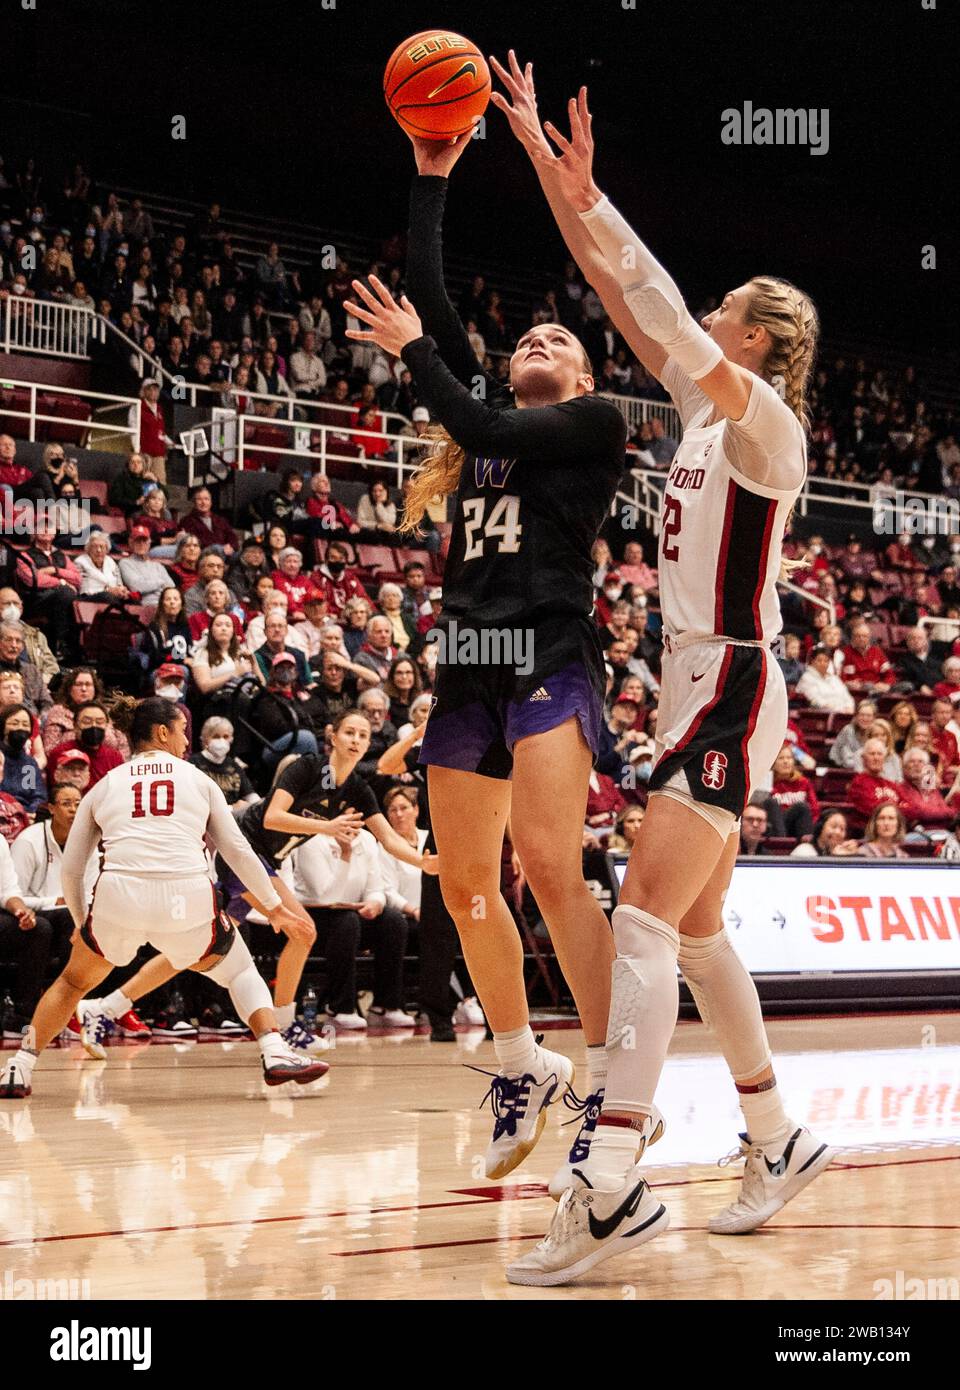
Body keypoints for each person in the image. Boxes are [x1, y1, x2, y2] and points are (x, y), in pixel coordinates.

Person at [486, 62, 834, 1283]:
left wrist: (603, 206)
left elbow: (664, 310)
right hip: (697, 682)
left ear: (761, 339)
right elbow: (632, 299)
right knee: (693, 935)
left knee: (636, 918)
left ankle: (607, 1183)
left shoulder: (769, 427)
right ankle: (778, 1134)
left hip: (734, 682)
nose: (710, 315)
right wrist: (558, 176)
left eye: (731, 308)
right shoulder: (702, 414)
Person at [344, 111, 631, 1197]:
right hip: (467, 657)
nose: (537, 344)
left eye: (559, 338)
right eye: (528, 342)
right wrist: (430, 175)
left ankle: (612, 1080)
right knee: (468, 888)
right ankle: (520, 1060)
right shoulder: (480, 411)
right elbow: (433, 294)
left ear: (588, 370)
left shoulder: (590, 425)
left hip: (551, 647)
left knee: (555, 867)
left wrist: (418, 354)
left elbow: (476, 414)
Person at [0, 698, 327, 1098]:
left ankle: (20, 1066)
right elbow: (237, 851)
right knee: (240, 972)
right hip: (185, 899)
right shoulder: (199, 781)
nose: (186, 740)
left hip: (120, 900)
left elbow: (72, 867)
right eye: (182, 730)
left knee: (70, 983)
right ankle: (275, 1051)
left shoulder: (105, 785)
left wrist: (84, 922)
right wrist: (274, 908)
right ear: (161, 732)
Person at [283, 824, 416, 1029]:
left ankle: (385, 1006)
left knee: (393, 921)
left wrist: (375, 903)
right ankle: (339, 1008)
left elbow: (376, 886)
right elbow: (324, 895)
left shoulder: (367, 839)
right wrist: (346, 854)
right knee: (346, 922)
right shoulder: (312, 838)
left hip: (353, 913)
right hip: (315, 915)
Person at [43, 668, 130, 759]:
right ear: (69, 689)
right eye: (78, 684)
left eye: (88, 685)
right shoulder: (58, 712)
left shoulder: (107, 712)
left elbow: (123, 746)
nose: (84, 689)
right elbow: (50, 750)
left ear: (95, 689)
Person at [46, 701, 125, 790]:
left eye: (99, 722)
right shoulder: (61, 753)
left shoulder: (114, 757)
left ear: (106, 726)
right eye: (87, 722)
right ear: (75, 726)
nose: (94, 726)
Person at [188, 716, 259, 810]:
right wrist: (231, 808)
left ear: (231, 739)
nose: (221, 741)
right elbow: (193, 800)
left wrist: (259, 806)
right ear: (205, 739)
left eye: (226, 737)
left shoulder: (234, 766)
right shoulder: (193, 763)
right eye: (216, 736)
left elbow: (250, 795)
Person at [0, 703, 44, 814]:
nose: (20, 728)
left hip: (25, 817)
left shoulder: (28, 764)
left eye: (25, 724)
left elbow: (37, 796)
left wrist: (29, 813)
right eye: (15, 723)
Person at [769, 744, 819, 839]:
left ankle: (806, 845)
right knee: (771, 804)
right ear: (773, 762)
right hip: (776, 826)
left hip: (799, 825)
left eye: (789, 758)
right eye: (781, 758)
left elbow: (814, 809)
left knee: (802, 807)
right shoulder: (768, 782)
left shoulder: (804, 782)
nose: (786, 761)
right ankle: (780, 843)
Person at [118, 525, 173, 605]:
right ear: (131, 543)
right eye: (138, 541)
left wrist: (148, 585)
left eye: (144, 541)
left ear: (149, 543)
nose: (141, 544)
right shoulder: (125, 563)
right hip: (146, 604)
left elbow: (171, 587)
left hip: (165, 603)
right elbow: (136, 586)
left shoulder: (158, 565)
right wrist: (161, 583)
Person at [179, 485, 238, 555]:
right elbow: (197, 541)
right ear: (194, 503)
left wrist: (230, 546)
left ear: (211, 502)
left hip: (225, 551)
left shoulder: (220, 520)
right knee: (217, 548)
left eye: (206, 499)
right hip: (203, 554)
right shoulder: (187, 521)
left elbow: (232, 537)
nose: (203, 502)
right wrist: (222, 548)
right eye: (199, 499)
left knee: (242, 556)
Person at [796, 645, 855, 714]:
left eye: (826, 661)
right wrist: (840, 710)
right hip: (822, 715)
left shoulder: (834, 678)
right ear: (812, 661)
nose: (823, 663)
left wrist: (849, 707)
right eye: (819, 660)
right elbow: (816, 702)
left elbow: (848, 697)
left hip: (844, 713)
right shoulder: (806, 678)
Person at [75, 532, 131, 602]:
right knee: (106, 596)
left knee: (131, 599)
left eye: (102, 547)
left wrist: (122, 590)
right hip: (90, 598)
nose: (98, 550)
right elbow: (83, 588)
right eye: (95, 546)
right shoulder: (80, 562)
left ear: (107, 550)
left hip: (113, 597)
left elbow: (119, 583)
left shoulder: (111, 562)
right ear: (88, 549)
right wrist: (108, 590)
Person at [790, 808, 861, 858]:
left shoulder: (842, 853)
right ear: (820, 828)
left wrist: (851, 857)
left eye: (842, 829)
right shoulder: (804, 851)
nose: (838, 832)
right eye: (833, 826)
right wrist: (836, 859)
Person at [829, 699, 878, 768]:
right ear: (856, 716)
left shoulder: (877, 732)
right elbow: (848, 762)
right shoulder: (848, 731)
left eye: (869, 715)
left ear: (874, 718)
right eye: (862, 715)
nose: (865, 718)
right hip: (841, 768)